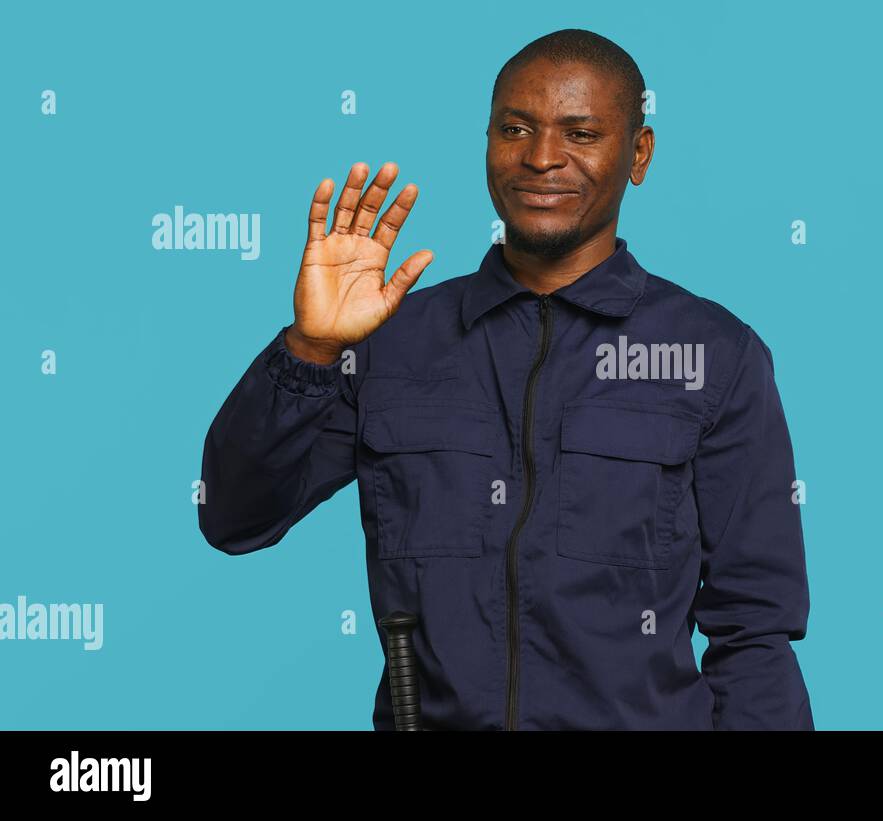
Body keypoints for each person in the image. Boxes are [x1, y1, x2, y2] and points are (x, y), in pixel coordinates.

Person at [198, 28, 813, 730]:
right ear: (487, 141)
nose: (542, 158)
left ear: (637, 154)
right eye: (515, 128)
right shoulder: (389, 339)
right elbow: (233, 516)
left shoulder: (715, 354)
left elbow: (755, 627)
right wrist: (308, 348)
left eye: (581, 133)